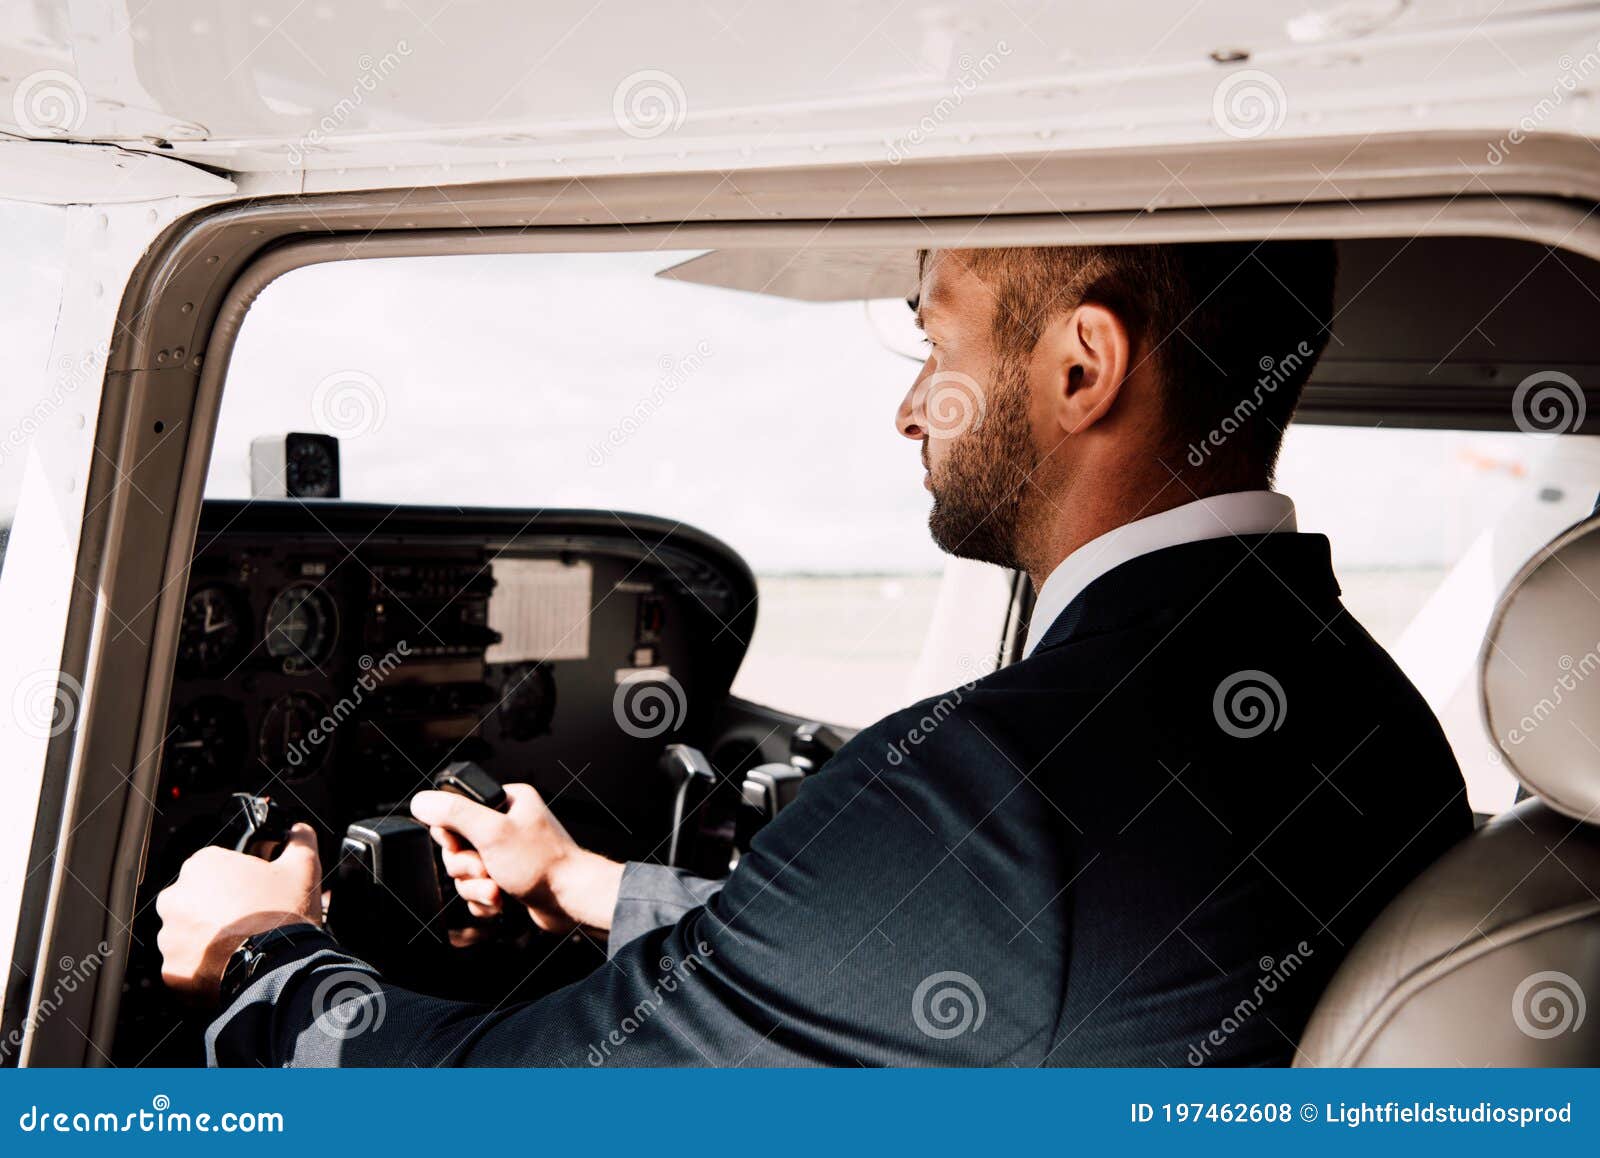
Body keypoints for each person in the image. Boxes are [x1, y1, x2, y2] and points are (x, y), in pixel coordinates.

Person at [156, 242, 1472, 1066]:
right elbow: (929, 973)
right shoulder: (1373, 712)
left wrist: (266, 952)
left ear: (1084, 368)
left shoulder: (995, 786)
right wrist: (592, 886)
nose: (908, 406)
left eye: (937, 340)